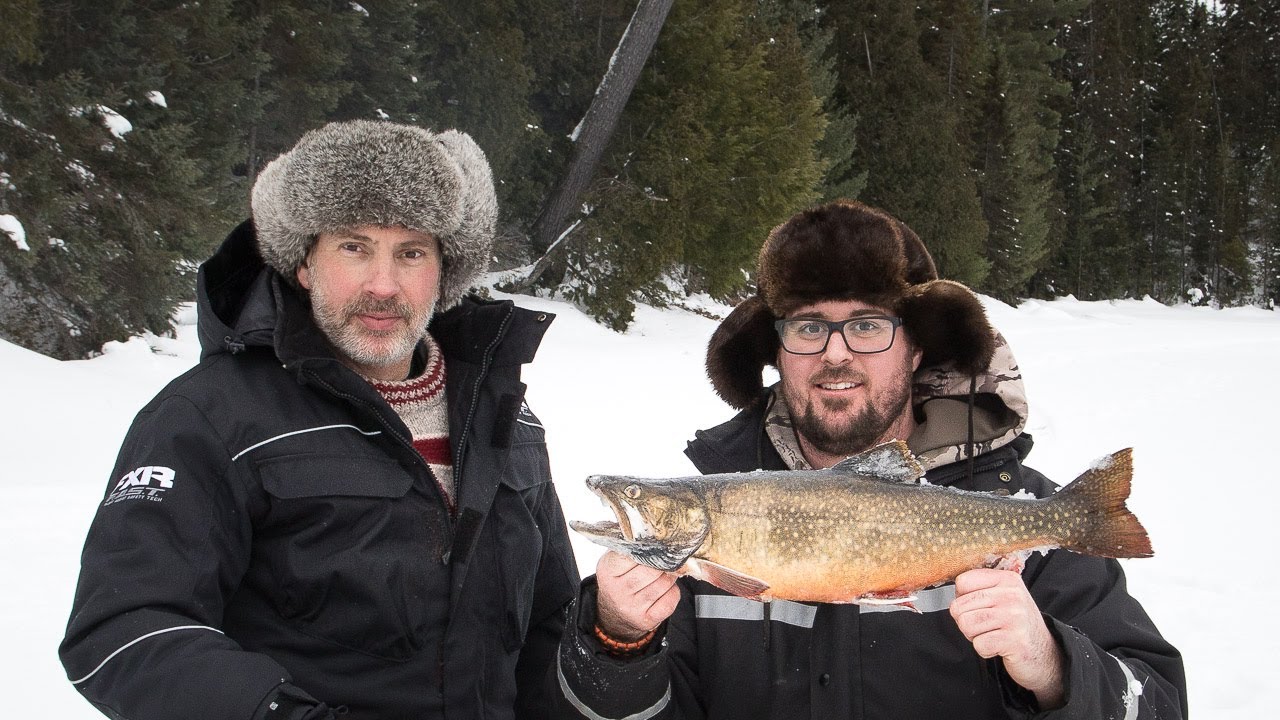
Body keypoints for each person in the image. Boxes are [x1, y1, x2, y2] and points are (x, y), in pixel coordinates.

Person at [552, 200, 1186, 719]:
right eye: (808, 326)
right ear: (778, 352)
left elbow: (1158, 704)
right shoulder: (713, 524)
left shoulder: (1025, 517)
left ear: (916, 349)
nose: (836, 354)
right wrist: (617, 643)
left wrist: (1051, 667)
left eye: (867, 325)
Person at [59, 120, 579, 720]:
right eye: (354, 246)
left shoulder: (504, 420)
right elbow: (123, 630)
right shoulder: (212, 417)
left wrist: (614, 640)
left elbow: (549, 630)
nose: (383, 285)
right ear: (304, 263)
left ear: (444, 272)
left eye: (411, 252)